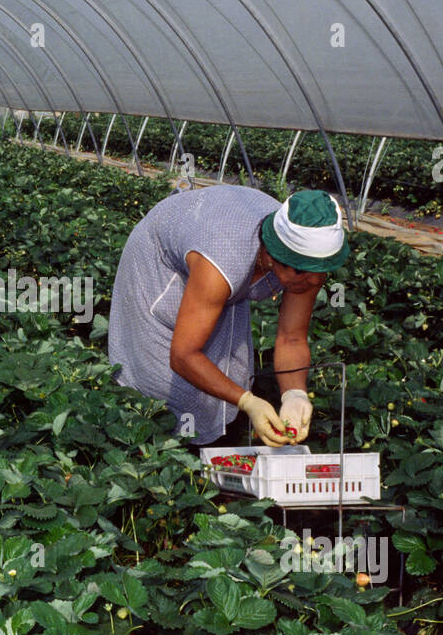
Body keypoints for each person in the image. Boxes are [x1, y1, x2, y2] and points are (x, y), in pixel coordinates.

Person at [108, 187, 349, 447]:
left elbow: (291, 338)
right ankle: (155, 448)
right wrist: (248, 401)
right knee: (162, 380)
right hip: (159, 259)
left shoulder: (309, 267)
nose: (314, 281)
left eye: (322, 271)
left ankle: (209, 449)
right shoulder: (221, 259)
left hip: (220, 256)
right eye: (303, 273)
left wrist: (294, 393)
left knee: (226, 368)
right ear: (274, 257)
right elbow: (183, 355)